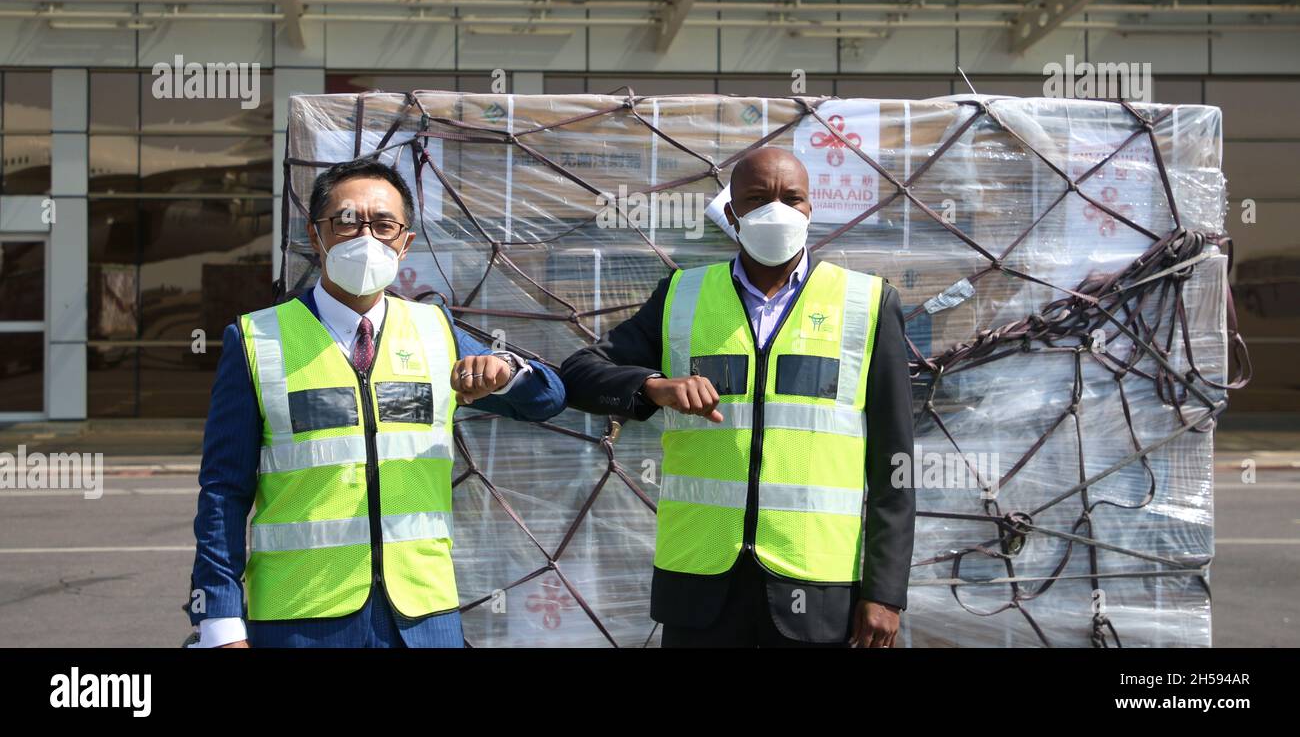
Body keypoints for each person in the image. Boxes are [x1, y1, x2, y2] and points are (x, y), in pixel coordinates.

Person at [187, 157, 566, 648]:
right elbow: (223, 491)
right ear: (316, 234)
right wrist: (219, 622)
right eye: (346, 221)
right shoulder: (258, 339)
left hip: (422, 617)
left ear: (405, 241)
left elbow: (549, 397)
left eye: (384, 224)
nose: (366, 237)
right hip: (301, 617)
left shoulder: (436, 332)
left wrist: (509, 371)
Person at [561, 147, 915, 647]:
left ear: (810, 210)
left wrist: (886, 592)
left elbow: (893, 462)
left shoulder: (866, 303)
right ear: (732, 214)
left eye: (792, 198)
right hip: (701, 587)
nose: (778, 210)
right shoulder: (682, 295)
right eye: (757, 198)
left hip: (814, 590)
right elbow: (578, 372)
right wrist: (652, 386)